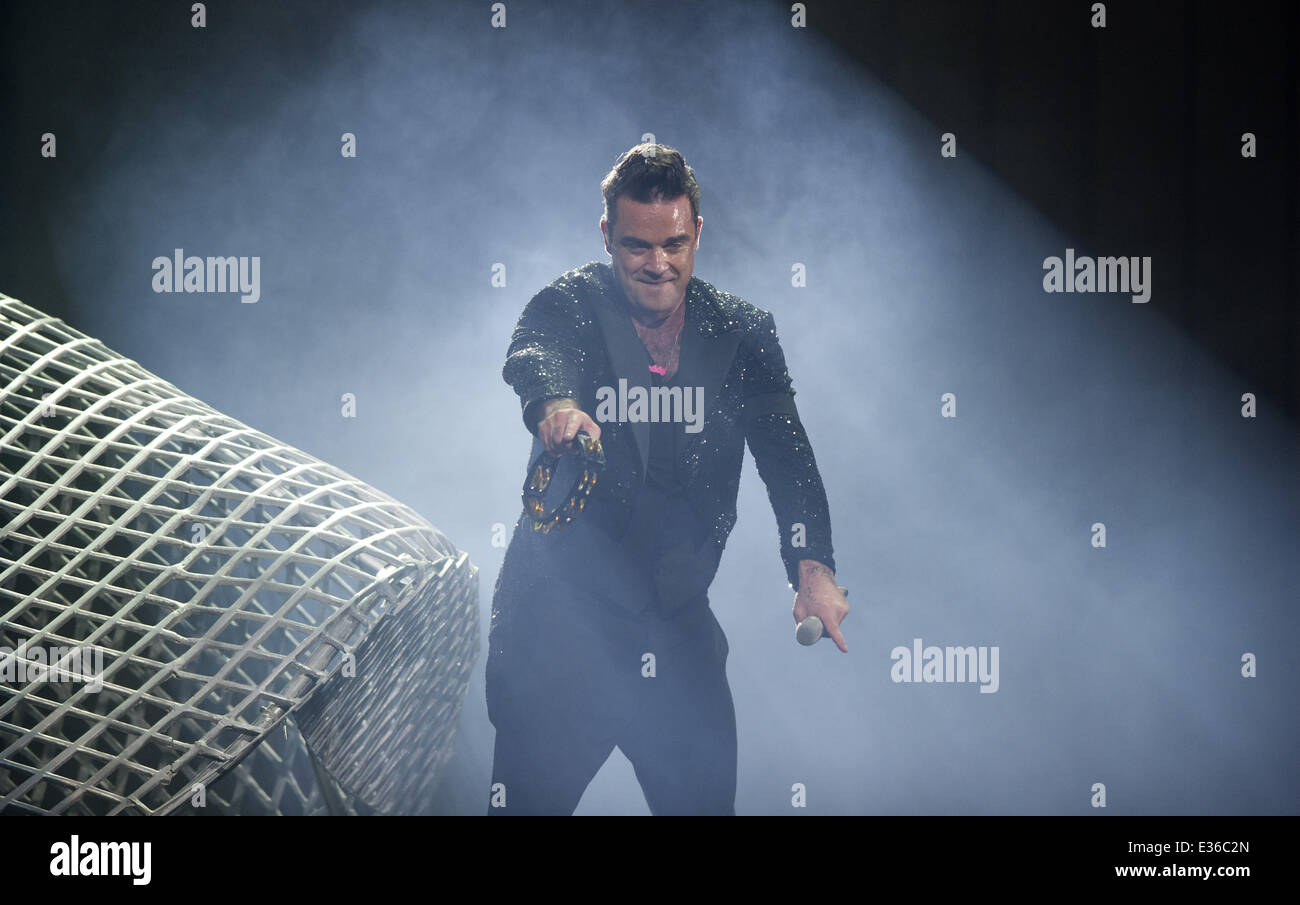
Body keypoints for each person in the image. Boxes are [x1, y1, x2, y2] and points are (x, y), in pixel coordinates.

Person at [486, 142, 849, 815]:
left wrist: (812, 563)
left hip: (676, 633)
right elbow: (534, 354)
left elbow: (788, 458)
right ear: (607, 236)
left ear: (698, 234)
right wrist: (556, 406)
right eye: (637, 247)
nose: (659, 264)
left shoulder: (744, 332)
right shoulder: (569, 302)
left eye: (675, 244)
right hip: (563, 639)